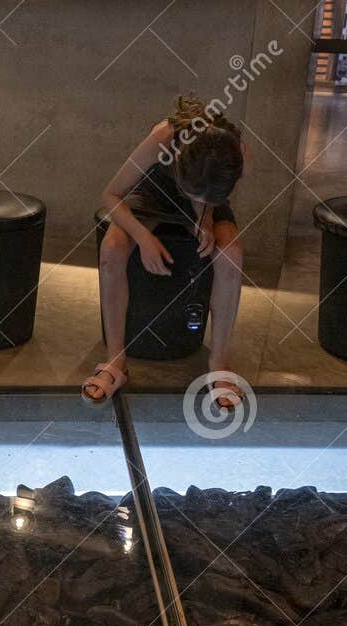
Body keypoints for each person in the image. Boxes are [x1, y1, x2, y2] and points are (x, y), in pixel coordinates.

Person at [83, 96, 247, 404]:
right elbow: (111, 195)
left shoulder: (234, 153)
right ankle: (116, 359)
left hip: (207, 203)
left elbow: (211, 196)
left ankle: (219, 363)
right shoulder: (164, 137)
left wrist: (206, 216)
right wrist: (142, 237)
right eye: (190, 191)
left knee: (231, 255)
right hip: (152, 196)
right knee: (113, 248)